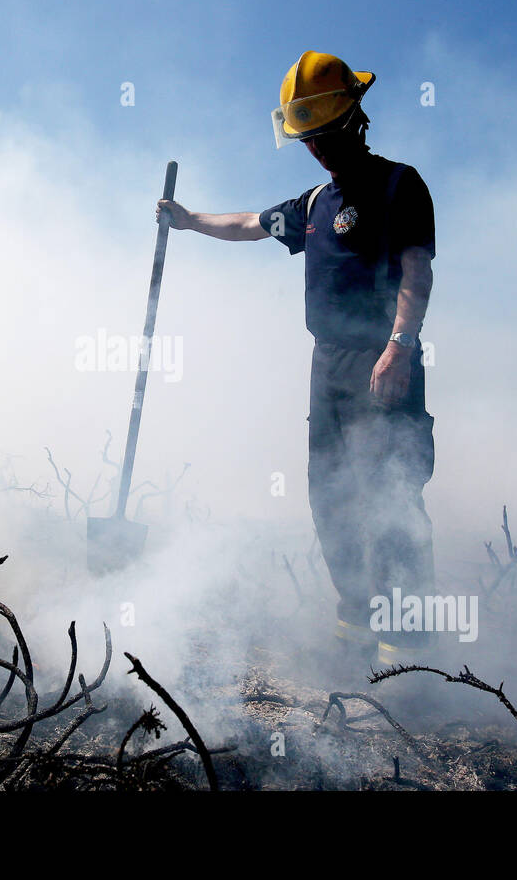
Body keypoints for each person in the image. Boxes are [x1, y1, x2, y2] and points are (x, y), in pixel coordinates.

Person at [156, 51, 437, 670]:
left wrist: (399, 348)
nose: (318, 150)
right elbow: (248, 225)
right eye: (309, 139)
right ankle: (357, 626)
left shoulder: (400, 185)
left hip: (384, 359)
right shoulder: (313, 204)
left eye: (326, 136)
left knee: (391, 497)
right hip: (328, 364)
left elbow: (417, 274)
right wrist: (188, 220)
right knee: (330, 496)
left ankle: (412, 655)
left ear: (354, 121)